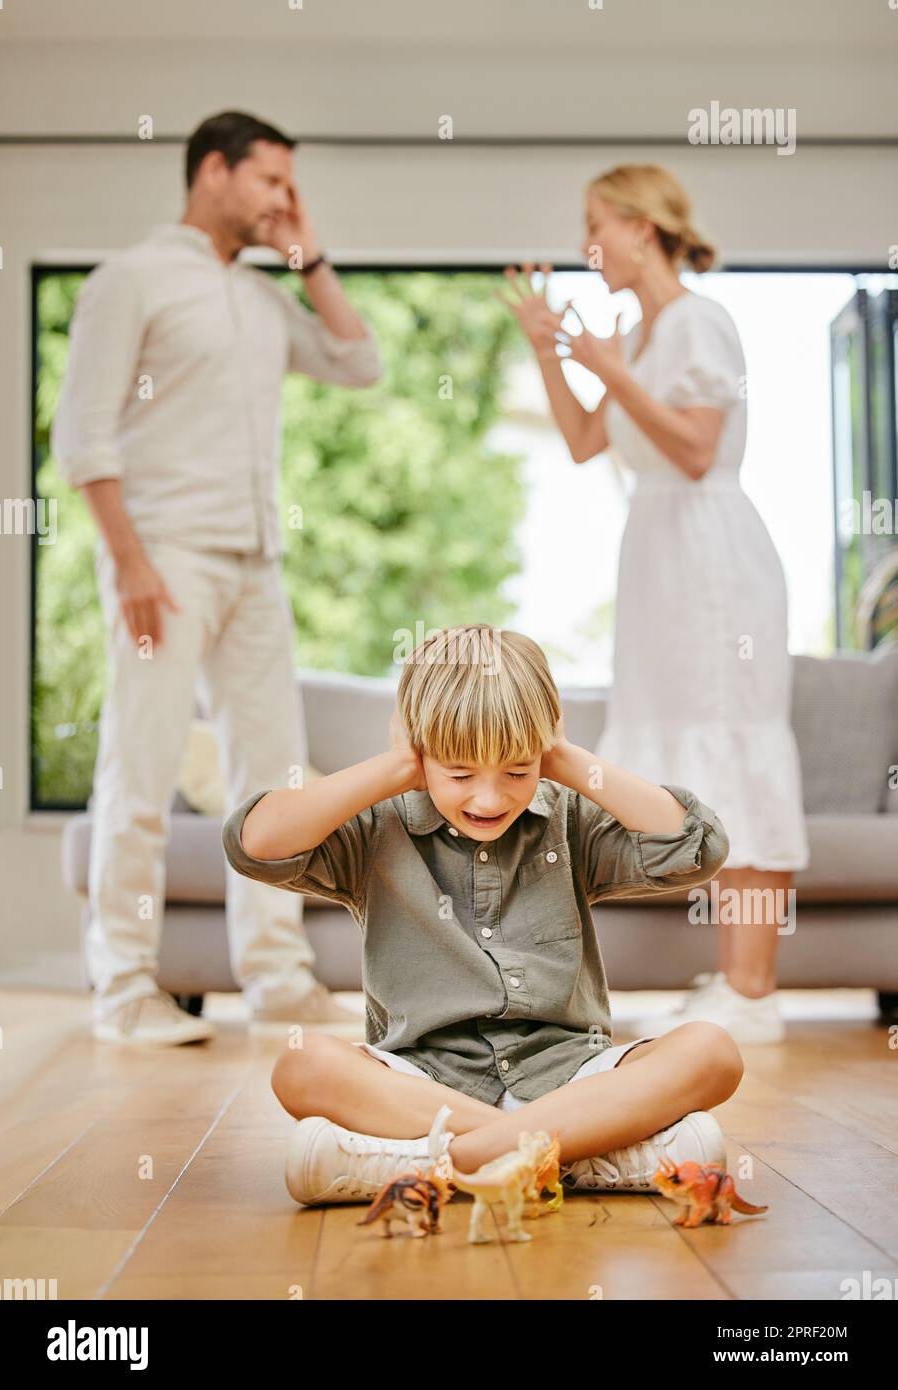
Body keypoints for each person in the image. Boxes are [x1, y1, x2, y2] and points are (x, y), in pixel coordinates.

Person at [51, 110, 384, 1047]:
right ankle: (122, 988)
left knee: (272, 780)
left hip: (256, 564)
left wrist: (306, 256)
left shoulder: (263, 300)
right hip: (167, 558)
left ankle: (275, 978)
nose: (284, 198)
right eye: (271, 180)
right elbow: (82, 434)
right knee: (141, 768)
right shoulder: (133, 280)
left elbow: (360, 363)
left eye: (290, 185)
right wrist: (130, 566)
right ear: (212, 173)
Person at [222, 624, 742, 1204]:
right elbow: (256, 843)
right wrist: (397, 767)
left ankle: (434, 1163)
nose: (489, 799)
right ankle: (579, 1155)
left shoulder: (569, 820)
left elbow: (697, 847)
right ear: (420, 756)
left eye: (517, 771)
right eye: (461, 775)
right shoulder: (379, 829)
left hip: (569, 1079)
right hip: (422, 1084)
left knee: (711, 1051)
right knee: (302, 1064)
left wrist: (564, 759)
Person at [500, 164, 810, 1045]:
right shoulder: (637, 335)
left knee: (734, 743)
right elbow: (581, 440)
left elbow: (694, 447)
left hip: (713, 559)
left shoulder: (697, 320)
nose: (584, 245)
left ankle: (755, 990)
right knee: (692, 751)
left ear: (643, 228)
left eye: (594, 224)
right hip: (658, 564)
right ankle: (735, 976)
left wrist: (608, 364)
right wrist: (548, 349)